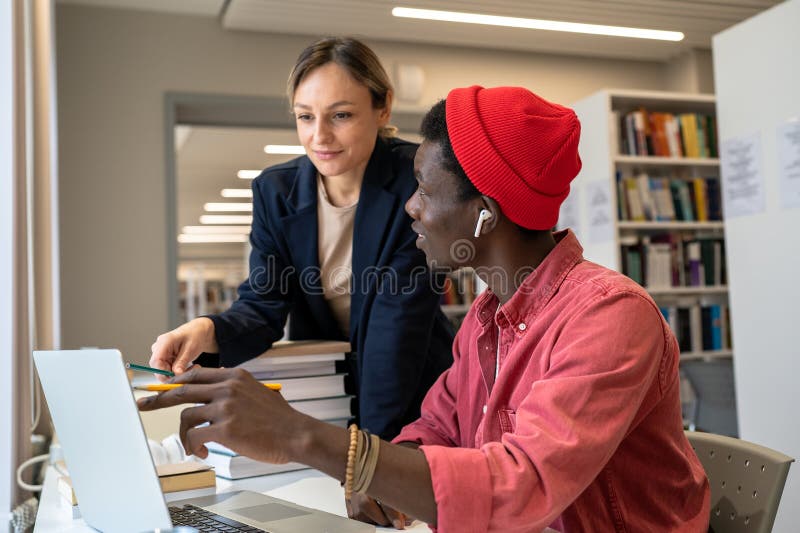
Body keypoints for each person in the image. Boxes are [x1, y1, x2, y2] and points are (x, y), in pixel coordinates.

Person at [140, 85, 711, 532]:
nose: (409, 207)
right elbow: (438, 424)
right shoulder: (485, 321)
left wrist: (304, 438)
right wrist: (393, 473)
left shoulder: (610, 317)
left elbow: (524, 486)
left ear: (484, 212)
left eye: (424, 189)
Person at [149, 37, 454, 440]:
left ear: (383, 107)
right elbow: (263, 305)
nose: (320, 136)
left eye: (340, 115)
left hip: (417, 394)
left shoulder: (414, 179)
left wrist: (369, 458)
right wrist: (208, 328)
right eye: (305, 117)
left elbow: (396, 329)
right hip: (324, 392)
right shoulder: (276, 192)